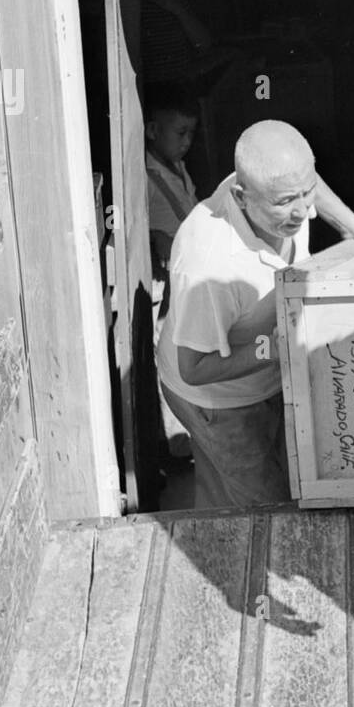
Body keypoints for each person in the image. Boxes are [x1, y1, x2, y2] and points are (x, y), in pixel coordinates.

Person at [155, 120, 354, 510]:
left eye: (306, 194)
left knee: (241, 486)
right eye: (285, 202)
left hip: (264, 366)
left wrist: (352, 226)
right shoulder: (208, 264)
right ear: (241, 195)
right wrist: (279, 349)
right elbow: (193, 368)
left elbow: (305, 178)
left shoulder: (275, 182)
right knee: (267, 507)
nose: (304, 211)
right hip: (217, 399)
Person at [143, 83, 201, 466]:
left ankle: (185, 441)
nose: (186, 142)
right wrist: (157, 238)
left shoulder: (178, 168)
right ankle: (173, 447)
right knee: (164, 356)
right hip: (160, 280)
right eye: (179, 133)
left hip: (184, 276)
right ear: (152, 131)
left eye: (190, 134)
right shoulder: (145, 176)